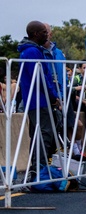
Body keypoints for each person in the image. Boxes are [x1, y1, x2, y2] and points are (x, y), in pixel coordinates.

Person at [16, 20, 62, 166]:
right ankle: (39, 168)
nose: (47, 35)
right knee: (44, 133)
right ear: (35, 34)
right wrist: (52, 95)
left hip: (36, 100)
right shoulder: (32, 52)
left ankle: (37, 167)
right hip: (39, 100)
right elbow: (41, 77)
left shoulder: (31, 50)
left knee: (39, 133)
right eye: (43, 32)